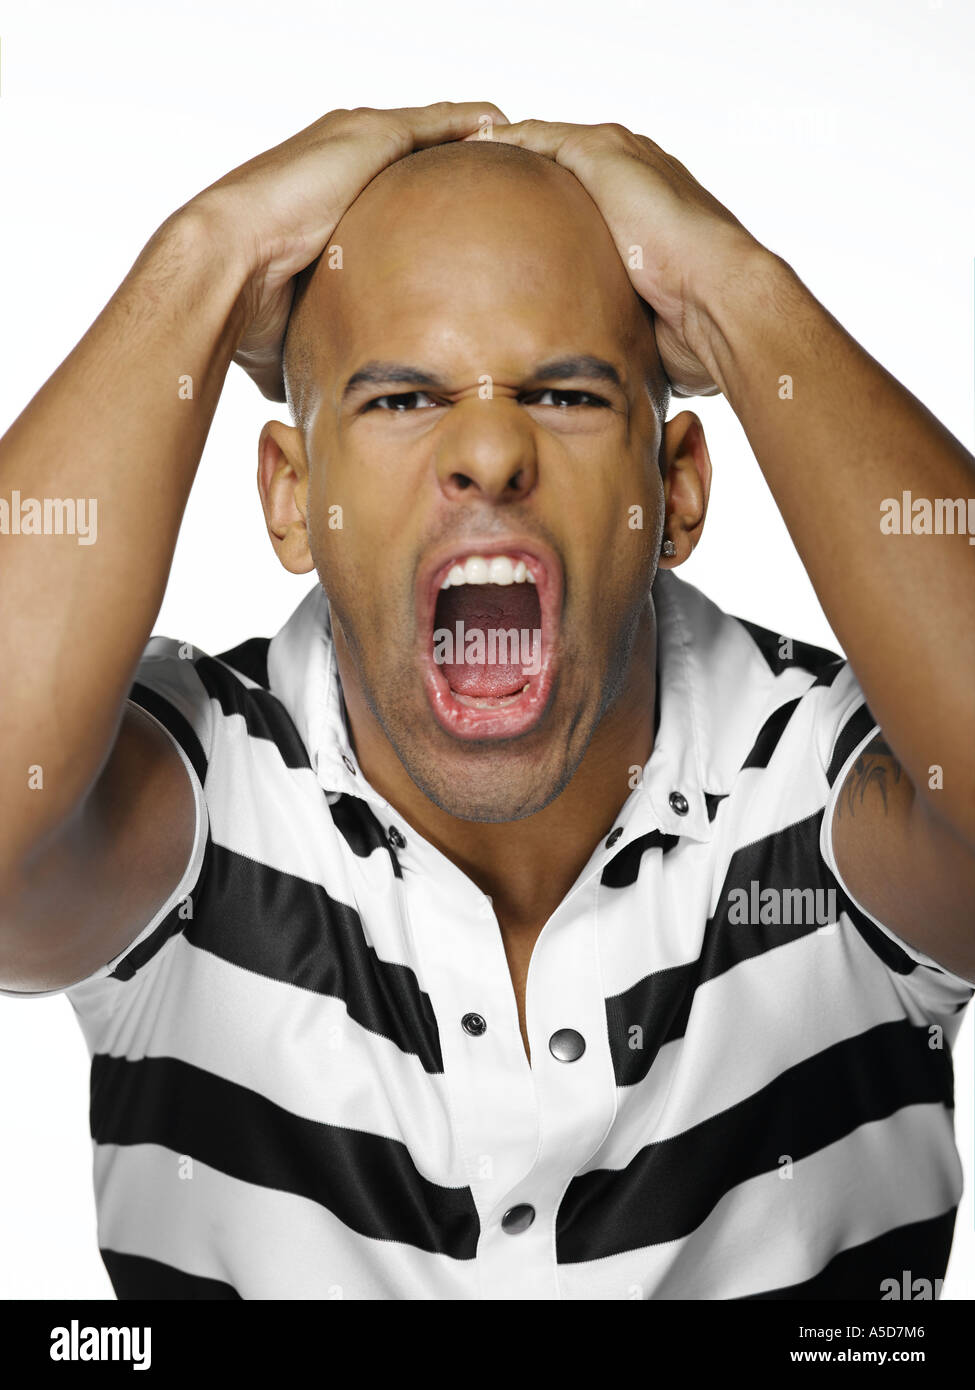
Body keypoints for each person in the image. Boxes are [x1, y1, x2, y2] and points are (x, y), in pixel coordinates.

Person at [1, 101, 972, 1301]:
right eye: (403, 399)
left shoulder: (819, 783)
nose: (492, 451)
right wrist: (208, 255)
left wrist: (738, 286)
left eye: (565, 395)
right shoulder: (202, 802)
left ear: (673, 494)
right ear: (293, 498)